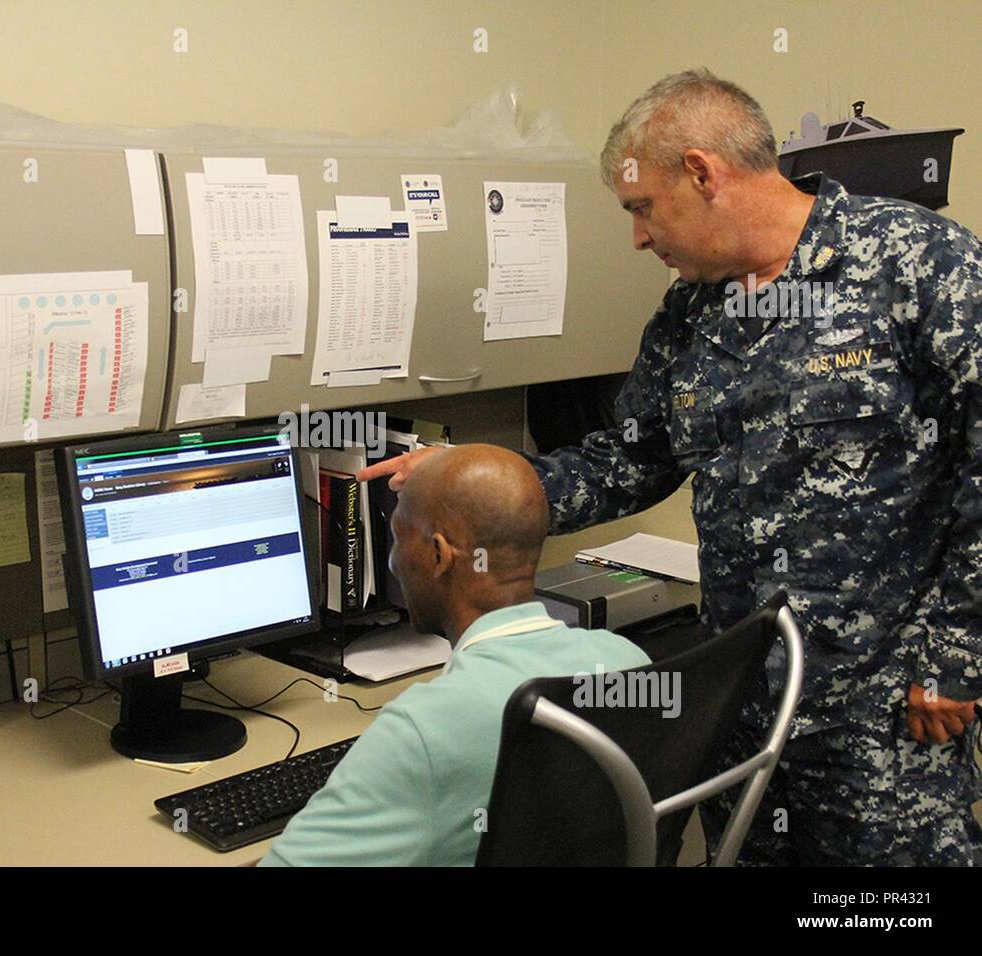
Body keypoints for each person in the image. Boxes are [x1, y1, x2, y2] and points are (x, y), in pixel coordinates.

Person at [360, 69, 982, 865]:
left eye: (640, 208)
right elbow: (631, 458)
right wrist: (472, 478)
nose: (639, 237)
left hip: (887, 708)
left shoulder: (918, 264)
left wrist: (956, 657)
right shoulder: (693, 314)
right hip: (743, 700)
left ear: (702, 172)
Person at [259, 444, 649, 866]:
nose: (392, 562)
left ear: (439, 555)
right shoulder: (626, 664)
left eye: (397, 538)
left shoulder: (421, 730)